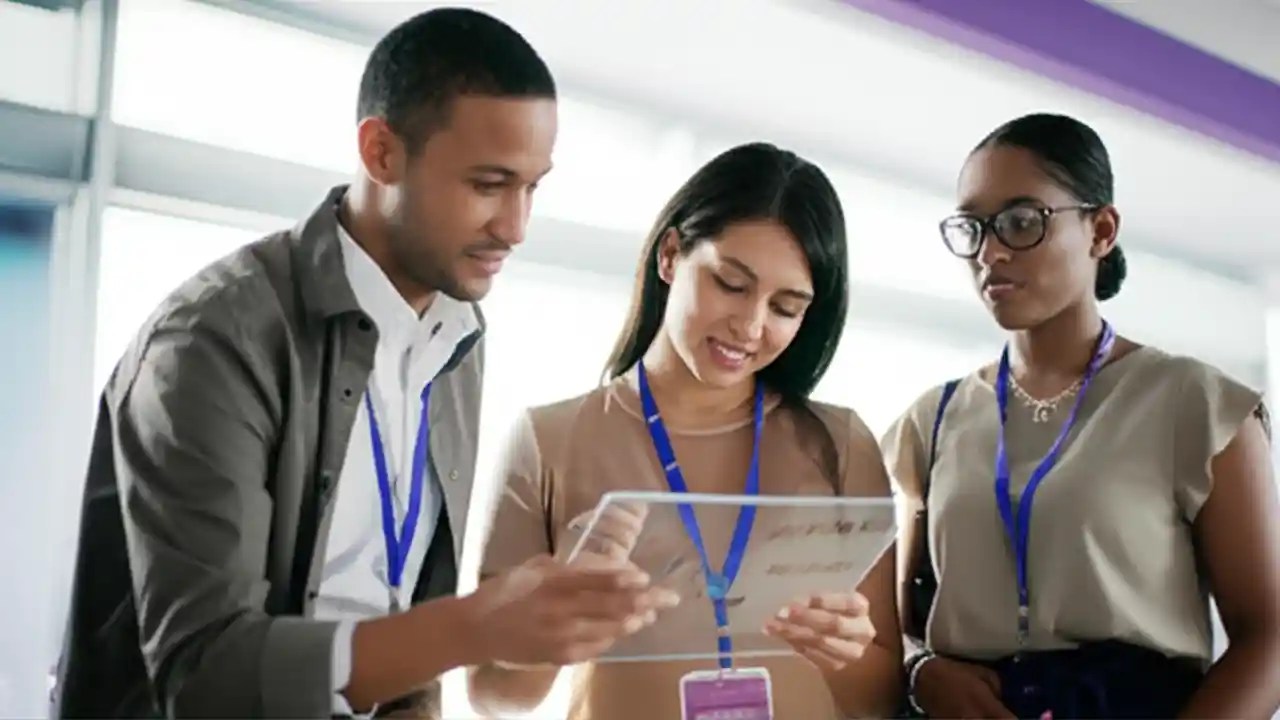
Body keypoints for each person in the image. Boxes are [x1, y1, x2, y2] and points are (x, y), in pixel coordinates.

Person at [53, 9, 671, 719]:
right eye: (488, 184)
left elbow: (405, 613)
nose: (515, 227)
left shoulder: (455, 333)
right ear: (382, 153)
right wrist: (476, 625)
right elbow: (205, 677)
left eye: (532, 186)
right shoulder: (211, 340)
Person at [467, 142, 905, 720]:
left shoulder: (841, 444)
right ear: (670, 255)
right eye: (731, 282)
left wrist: (841, 653)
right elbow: (492, 695)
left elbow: (882, 702)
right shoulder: (549, 439)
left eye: (786, 307)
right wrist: (562, 620)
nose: (750, 326)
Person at [884, 113, 1280, 719]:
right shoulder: (931, 420)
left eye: (1022, 222)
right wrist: (919, 670)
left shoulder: (1195, 403)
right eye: (974, 227)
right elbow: (894, 624)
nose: (990, 252)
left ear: (1101, 230)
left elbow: (1269, 639)